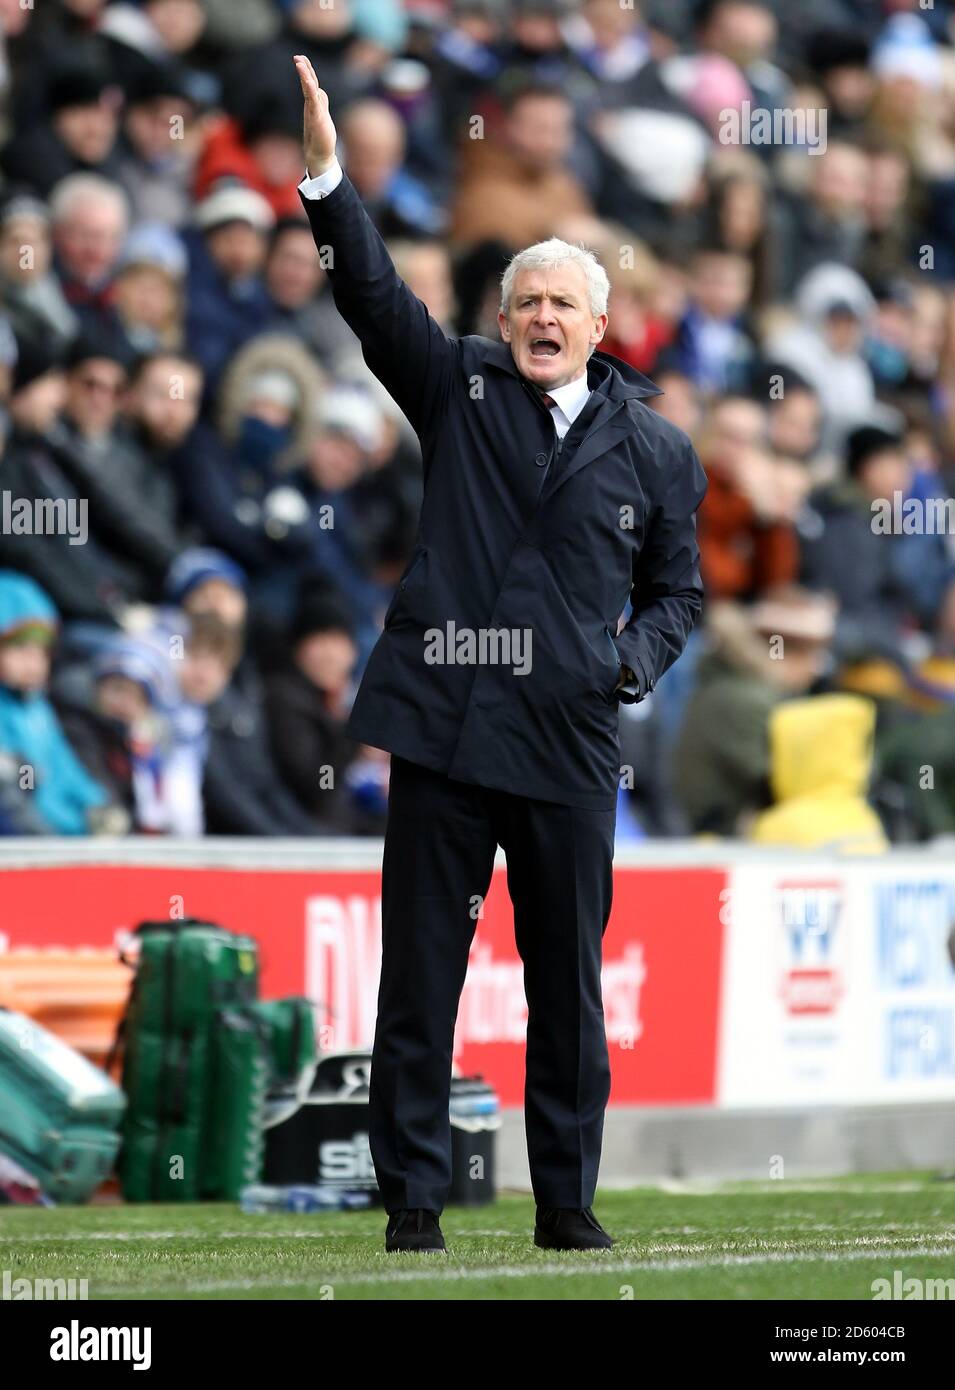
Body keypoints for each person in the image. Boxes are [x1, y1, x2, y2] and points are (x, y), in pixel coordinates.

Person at [293, 54, 707, 1253]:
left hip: (573, 740)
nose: (539, 320)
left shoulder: (658, 449)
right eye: (524, 303)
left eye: (561, 306)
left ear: (598, 325)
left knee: (566, 990)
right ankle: (412, 1200)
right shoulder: (455, 388)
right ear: (503, 318)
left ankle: (565, 1203)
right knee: (419, 975)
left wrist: (630, 664)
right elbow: (369, 295)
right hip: (444, 726)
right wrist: (327, 180)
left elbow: (679, 591)